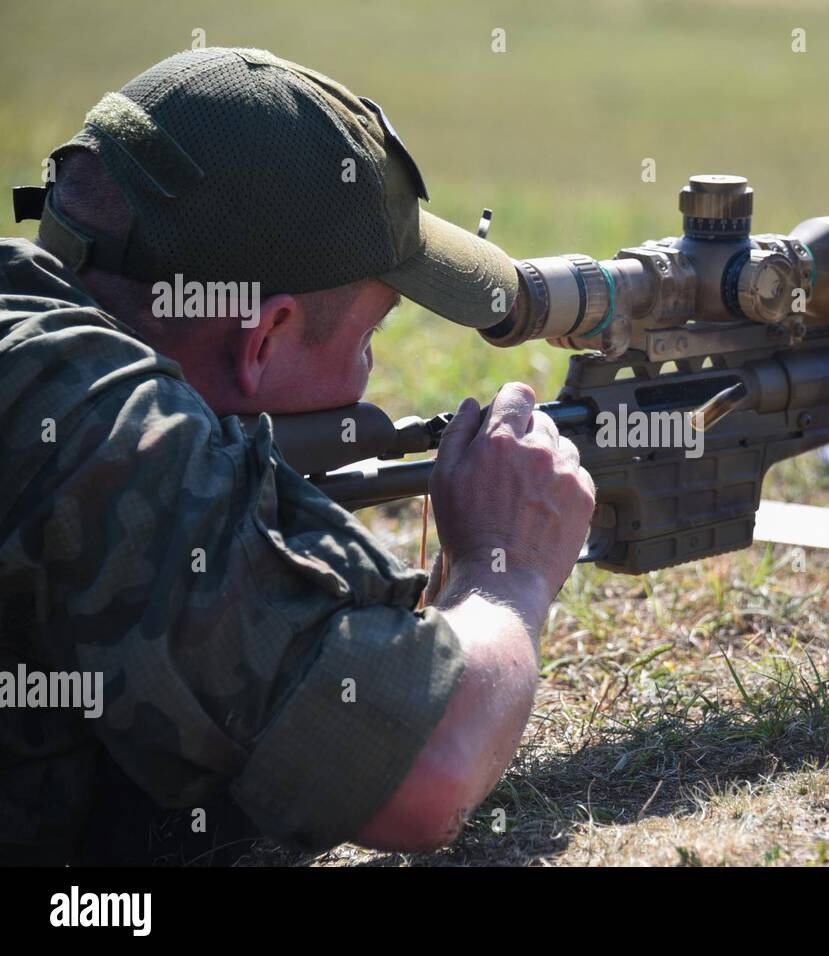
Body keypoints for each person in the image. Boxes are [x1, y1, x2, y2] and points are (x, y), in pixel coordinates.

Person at [0, 47, 595, 864]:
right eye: (370, 336)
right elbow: (425, 773)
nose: (371, 373)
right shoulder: (107, 430)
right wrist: (509, 571)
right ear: (265, 339)